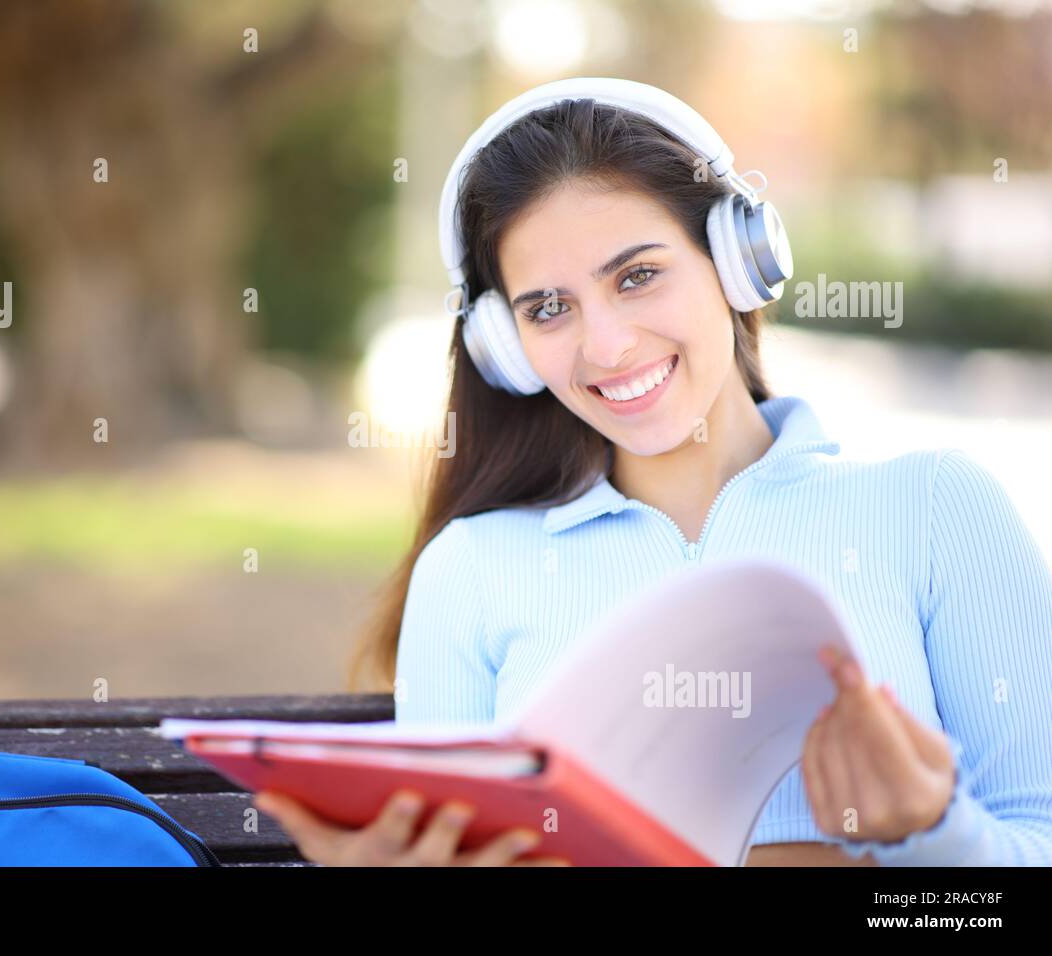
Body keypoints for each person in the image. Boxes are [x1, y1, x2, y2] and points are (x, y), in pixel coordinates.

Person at [254, 78, 1052, 867]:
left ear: (738, 260)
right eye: (548, 309)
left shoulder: (935, 510)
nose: (606, 346)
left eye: (637, 276)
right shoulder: (469, 570)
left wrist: (932, 832)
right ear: (507, 350)